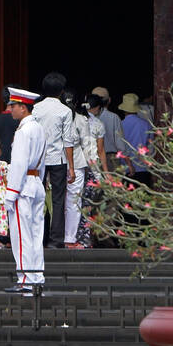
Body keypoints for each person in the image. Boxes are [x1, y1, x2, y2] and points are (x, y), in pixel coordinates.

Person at [2, 89, 47, 291]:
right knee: (36, 234)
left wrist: (11, 193)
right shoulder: (38, 128)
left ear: (23, 107)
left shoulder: (23, 131)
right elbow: (43, 162)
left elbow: (18, 164)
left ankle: (26, 278)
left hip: (23, 186)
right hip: (36, 182)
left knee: (22, 235)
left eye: (13, 106)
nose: (10, 109)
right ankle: (37, 276)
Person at [33, 72, 79, 250]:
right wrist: (72, 168)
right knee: (58, 200)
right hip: (58, 159)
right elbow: (68, 141)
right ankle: (55, 240)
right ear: (61, 91)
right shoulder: (65, 111)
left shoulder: (36, 109)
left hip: (38, 158)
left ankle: (38, 237)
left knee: (38, 198)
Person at [65, 91, 102, 249]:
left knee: (65, 201)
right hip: (74, 163)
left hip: (64, 162)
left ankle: (66, 237)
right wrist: (96, 171)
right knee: (73, 201)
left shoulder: (78, 119)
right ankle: (69, 237)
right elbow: (88, 147)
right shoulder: (80, 119)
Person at [91, 86, 128, 176]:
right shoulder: (114, 117)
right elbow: (120, 145)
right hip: (111, 159)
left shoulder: (86, 118)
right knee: (112, 188)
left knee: (95, 188)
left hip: (93, 159)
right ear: (109, 100)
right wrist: (128, 162)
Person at [119, 92, 154, 186]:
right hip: (143, 167)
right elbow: (151, 146)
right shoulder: (146, 124)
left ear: (124, 110)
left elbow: (120, 148)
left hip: (126, 168)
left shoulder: (120, 126)